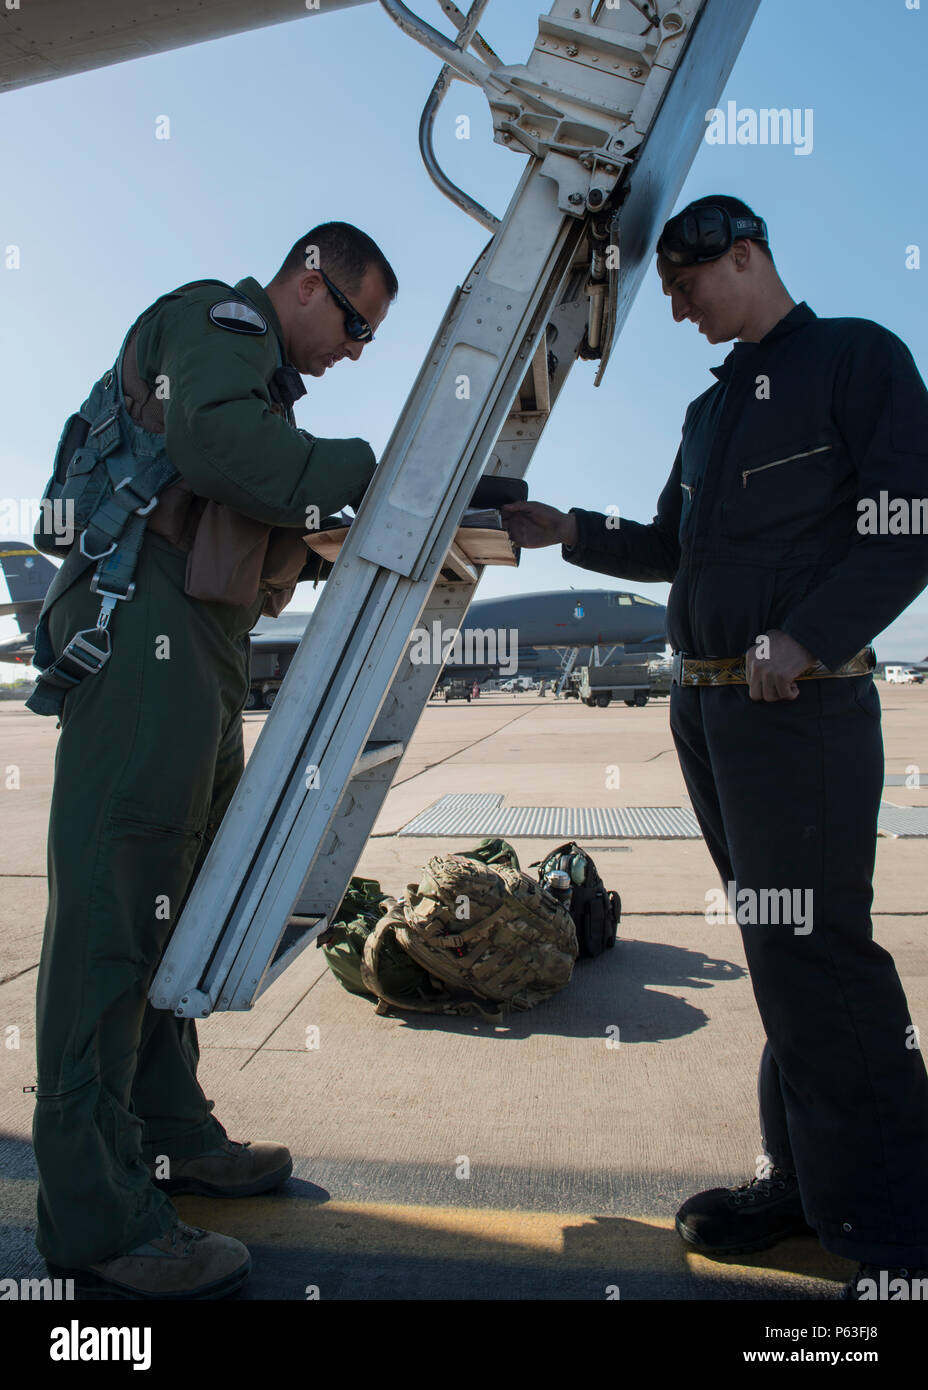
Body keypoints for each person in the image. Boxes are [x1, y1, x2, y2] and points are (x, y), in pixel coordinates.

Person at [502, 195, 928, 1300]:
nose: (681, 311)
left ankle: (894, 1221)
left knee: (821, 955)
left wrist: (811, 633)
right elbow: (667, 546)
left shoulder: (855, 360)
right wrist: (570, 530)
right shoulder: (712, 409)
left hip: (802, 708)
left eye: (690, 288)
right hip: (709, 714)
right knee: (779, 954)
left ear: (746, 255)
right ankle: (804, 1181)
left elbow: (909, 518)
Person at [28, 221, 397, 1299]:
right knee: (111, 904)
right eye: (355, 322)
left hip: (199, 644)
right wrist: (383, 470)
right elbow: (222, 455)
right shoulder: (218, 322)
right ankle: (94, 1213)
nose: (355, 350)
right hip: (142, 634)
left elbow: (262, 505)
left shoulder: (262, 386)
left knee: (173, 906)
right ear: (303, 281)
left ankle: (168, 1130)